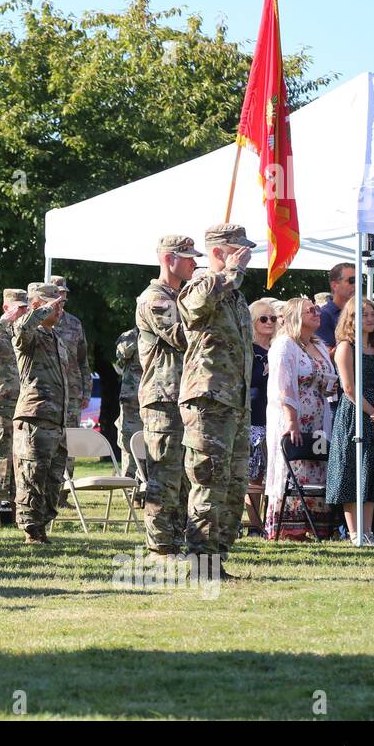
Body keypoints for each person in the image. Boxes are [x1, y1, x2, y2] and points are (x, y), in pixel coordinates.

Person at [178, 224, 254, 568]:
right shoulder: (202, 283)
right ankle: (200, 561)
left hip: (235, 404)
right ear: (220, 252)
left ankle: (217, 558)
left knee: (234, 487)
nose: (247, 259)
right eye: (240, 252)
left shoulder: (235, 294)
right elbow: (194, 308)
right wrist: (230, 271)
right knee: (209, 482)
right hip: (208, 400)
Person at [135, 234, 200, 558]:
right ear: (168, 259)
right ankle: (161, 545)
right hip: (163, 397)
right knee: (165, 473)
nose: (194, 262)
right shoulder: (155, 299)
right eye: (187, 256)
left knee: (185, 475)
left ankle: (177, 539)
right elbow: (181, 336)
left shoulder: (182, 295)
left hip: (185, 395)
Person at [264, 298, 339, 540]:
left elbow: (325, 382)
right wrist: (291, 421)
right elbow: (283, 386)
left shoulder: (318, 344)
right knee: (294, 468)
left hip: (318, 418)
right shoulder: (285, 345)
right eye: (311, 310)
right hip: (293, 419)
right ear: (296, 315)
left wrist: (329, 386)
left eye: (318, 309)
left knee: (317, 468)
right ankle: (290, 528)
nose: (318, 312)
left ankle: (317, 526)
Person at [326, 299, 374, 545]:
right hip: (355, 413)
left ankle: (368, 530)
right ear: (351, 318)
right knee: (353, 469)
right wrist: (372, 412)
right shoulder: (346, 347)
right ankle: (354, 532)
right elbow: (349, 388)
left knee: (373, 469)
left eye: (372, 315)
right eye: (363, 315)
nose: (369, 319)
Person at [12, 283, 70, 544]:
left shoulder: (55, 337)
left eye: (60, 305)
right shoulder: (28, 332)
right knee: (32, 474)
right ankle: (31, 529)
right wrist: (39, 311)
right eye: (53, 305)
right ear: (37, 306)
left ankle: (41, 526)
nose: (60, 309)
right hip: (35, 415)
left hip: (56, 418)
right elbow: (22, 330)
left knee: (52, 477)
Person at [0, 288, 27, 526]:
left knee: (20, 455)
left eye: (25, 308)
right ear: (6, 307)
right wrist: (5, 321)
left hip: (24, 404)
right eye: (17, 307)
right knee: (0, 454)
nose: (21, 312)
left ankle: (16, 504)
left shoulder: (28, 332)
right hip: (1, 403)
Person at [243, 298, 277, 538]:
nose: (269, 322)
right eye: (263, 318)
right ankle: (255, 524)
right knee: (253, 474)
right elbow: (248, 382)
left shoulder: (278, 348)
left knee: (270, 473)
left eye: (273, 318)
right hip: (254, 417)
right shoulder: (249, 350)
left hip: (274, 418)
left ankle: (270, 521)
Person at [48, 275, 92, 426]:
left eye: (63, 292)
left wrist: (86, 392)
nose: (60, 296)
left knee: (70, 440)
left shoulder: (74, 323)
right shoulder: (39, 322)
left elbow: (83, 360)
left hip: (72, 393)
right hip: (47, 392)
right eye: (57, 292)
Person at [113, 326, 143, 481]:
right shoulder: (131, 335)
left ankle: (147, 488)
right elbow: (122, 353)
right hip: (132, 399)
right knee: (129, 444)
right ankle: (131, 489)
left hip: (154, 398)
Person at [316, 263, 355, 349]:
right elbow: (325, 355)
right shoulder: (323, 315)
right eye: (352, 280)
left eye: (359, 280)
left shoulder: (361, 313)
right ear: (334, 285)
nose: (356, 285)